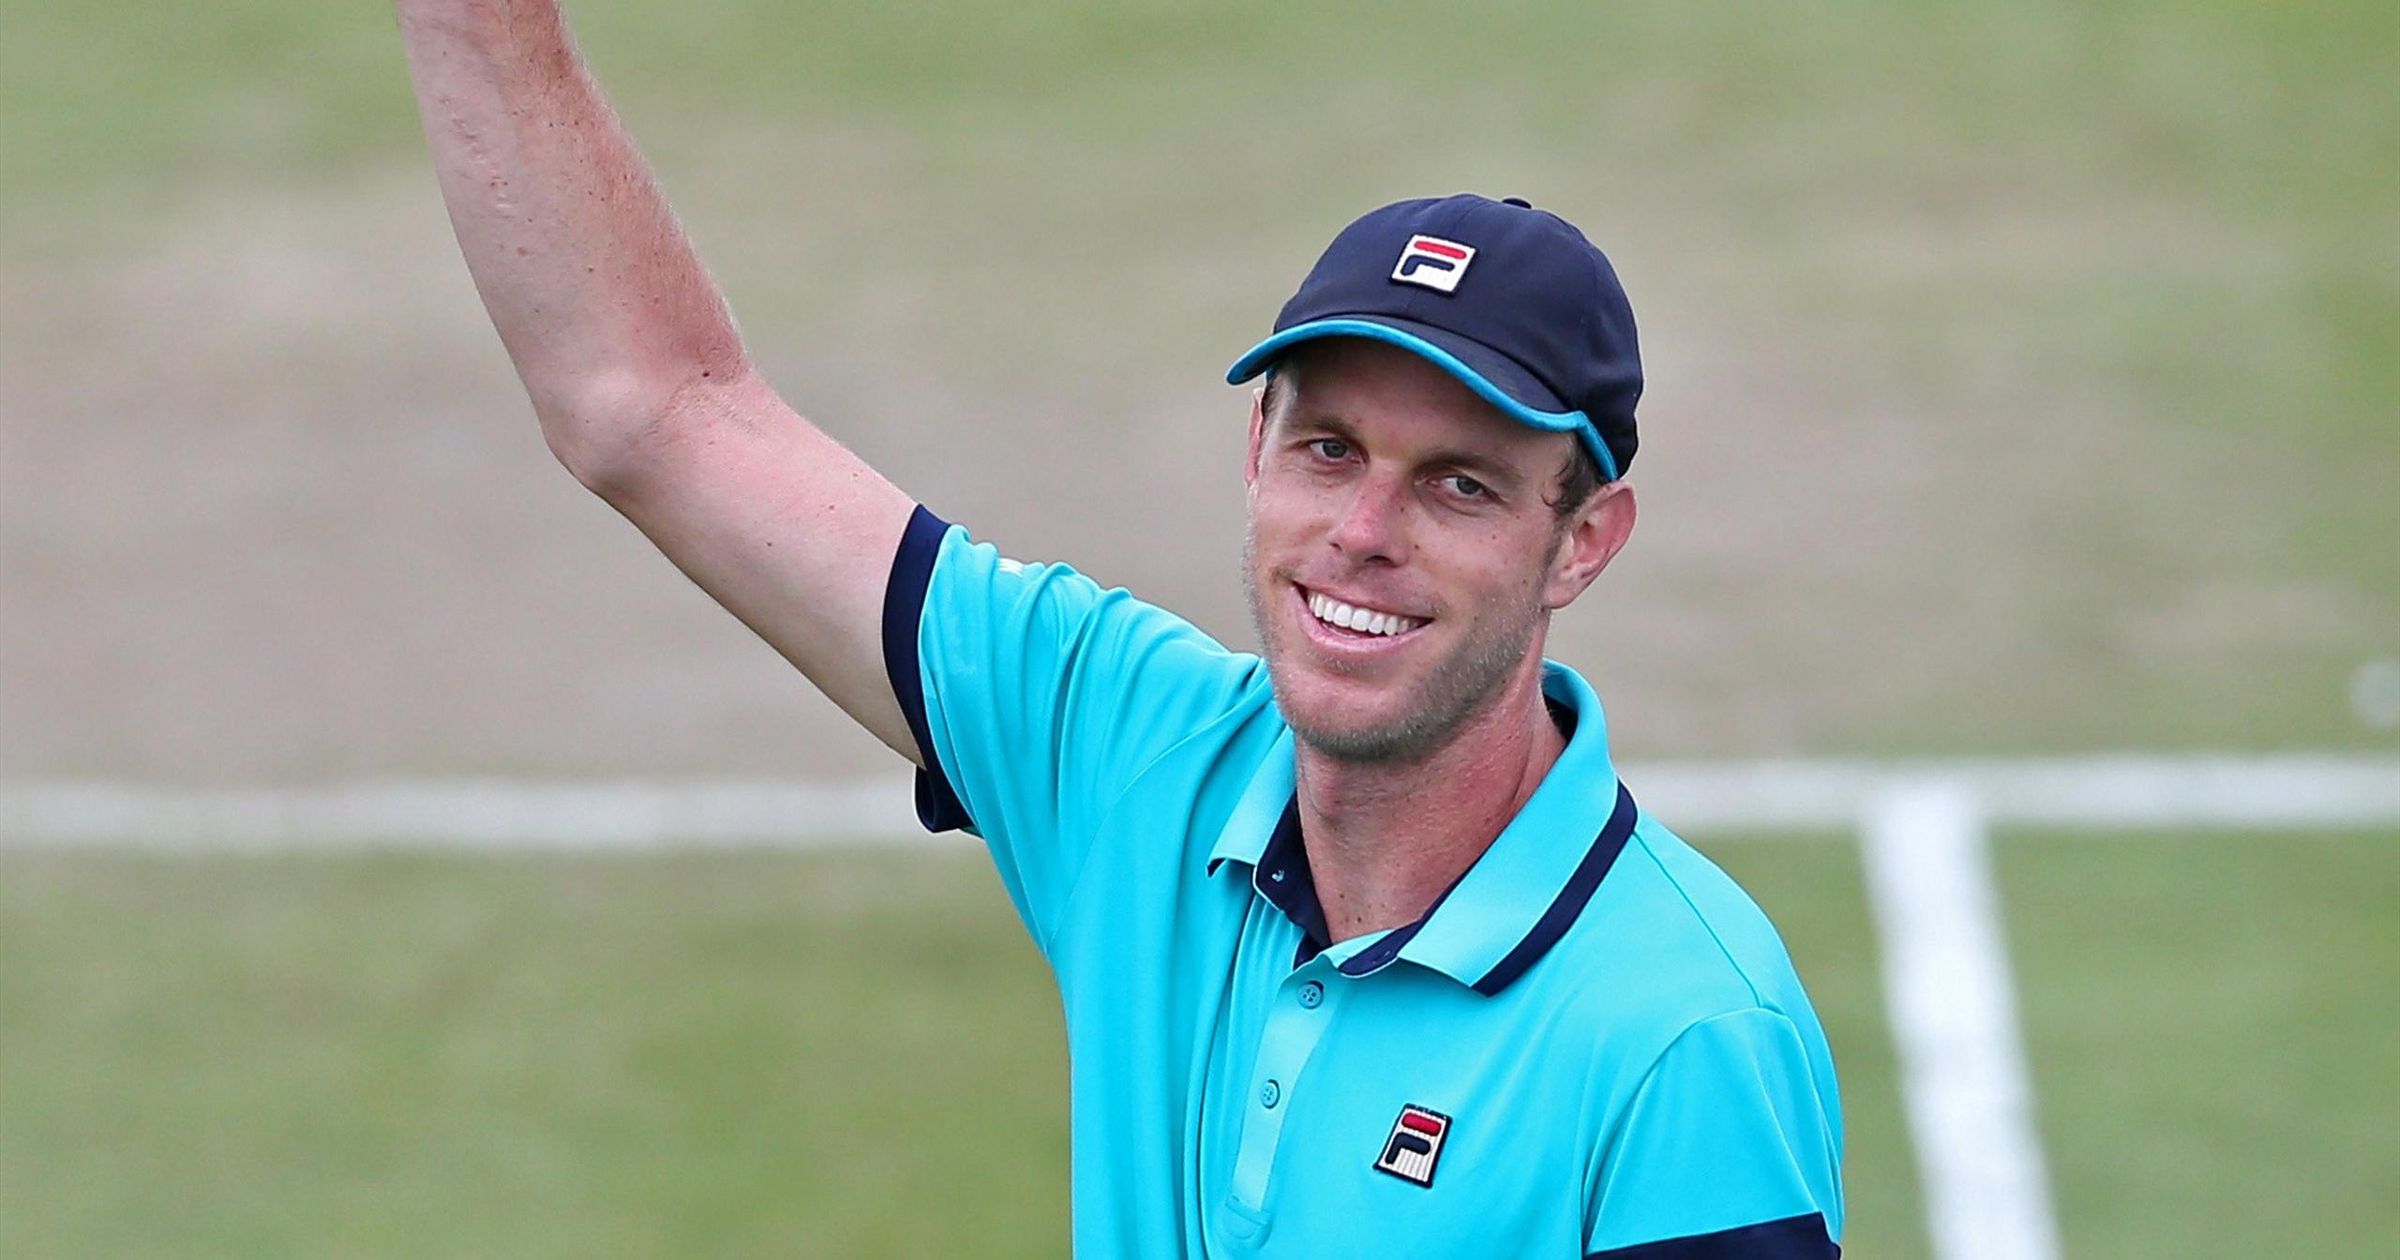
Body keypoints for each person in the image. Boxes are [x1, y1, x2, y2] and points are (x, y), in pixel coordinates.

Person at [394, 3, 1845, 1255]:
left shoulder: (1687, 1038)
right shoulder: (1126, 746)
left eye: (1457, 484)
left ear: (1580, 541)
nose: (1362, 532)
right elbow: (649, 407)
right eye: (1327, 448)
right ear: (1255, 453)